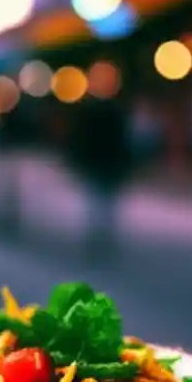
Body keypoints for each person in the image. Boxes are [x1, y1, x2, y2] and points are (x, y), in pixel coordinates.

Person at [61, 93, 132, 258]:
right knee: (104, 202)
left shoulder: (93, 113)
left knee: (97, 200)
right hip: (108, 163)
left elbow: (82, 138)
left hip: (100, 162)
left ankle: (97, 236)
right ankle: (102, 236)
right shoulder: (116, 113)